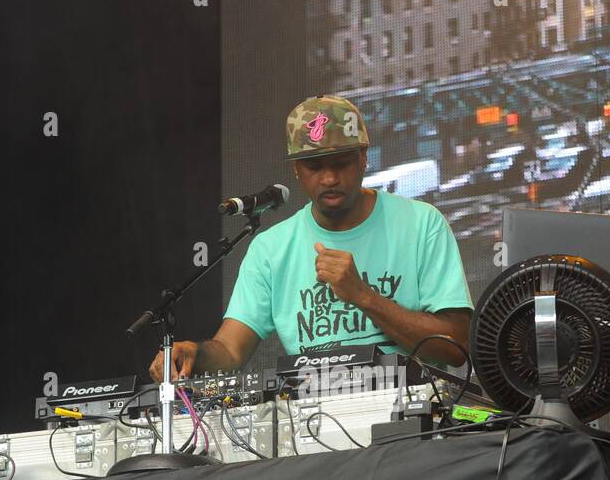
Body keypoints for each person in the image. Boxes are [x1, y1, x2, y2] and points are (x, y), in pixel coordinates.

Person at [149, 95, 472, 382]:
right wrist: (195, 352)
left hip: (408, 424)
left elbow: (457, 345)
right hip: (314, 425)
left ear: (363, 158)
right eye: (314, 167)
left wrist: (364, 297)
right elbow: (230, 352)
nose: (329, 178)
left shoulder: (421, 223)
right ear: (296, 170)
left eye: (342, 163)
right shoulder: (271, 248)